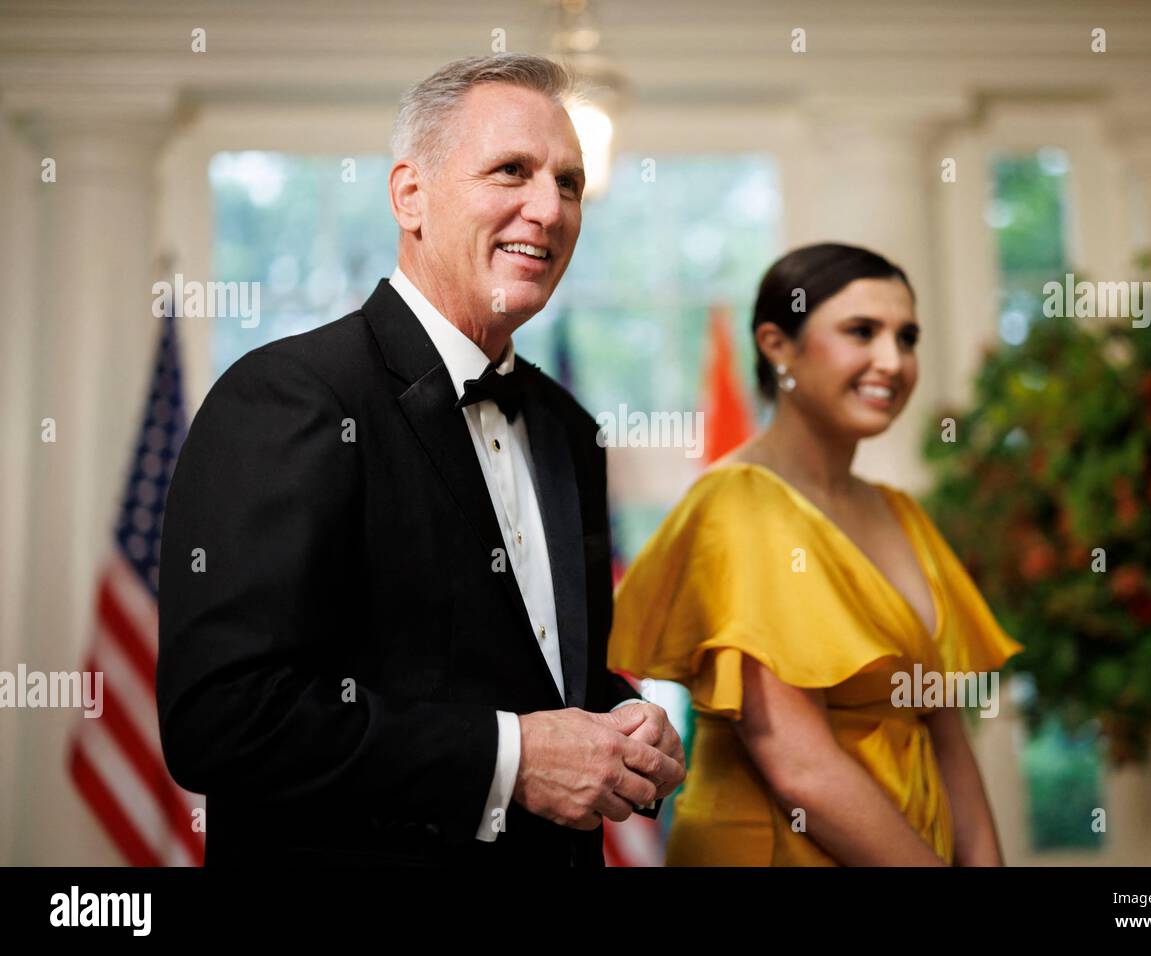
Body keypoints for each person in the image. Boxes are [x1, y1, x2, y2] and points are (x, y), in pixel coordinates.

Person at [157, 54, 684, 867]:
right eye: (511, 170)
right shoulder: (288, 396)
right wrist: (511, 760)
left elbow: (536, 682)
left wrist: (624, 720)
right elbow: (224, 719)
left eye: (570, 184)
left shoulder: (569, 428)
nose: (548, 208)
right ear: (410, 196)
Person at [608, 243, 1022, 865]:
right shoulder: (738, 503)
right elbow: (801, 769)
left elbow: (946, 733)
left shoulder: (901, 513)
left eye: (907, 338)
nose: (894, 360)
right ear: (777, 345)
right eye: (862, 331)